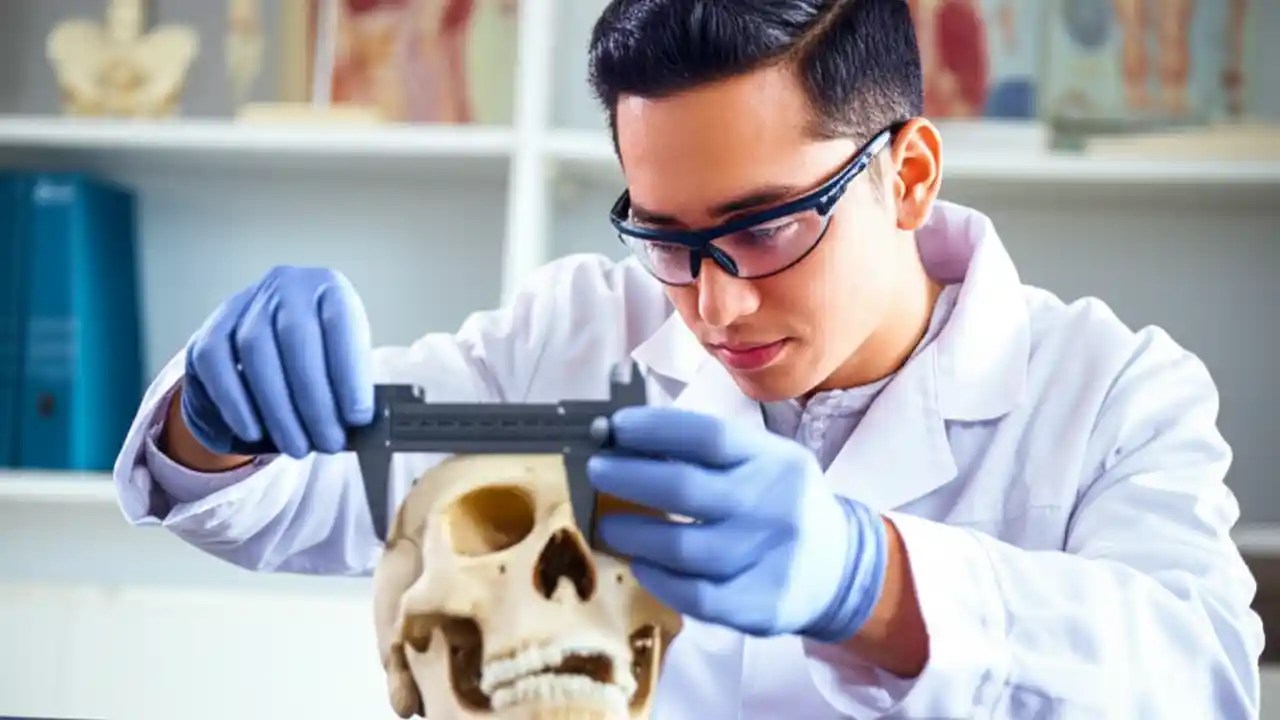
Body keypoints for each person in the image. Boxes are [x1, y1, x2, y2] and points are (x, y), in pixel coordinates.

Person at [111, 0, 1264, 717]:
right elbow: (316, 491)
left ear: (906, 175)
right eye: (664, 233)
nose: (712, 300)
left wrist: (872, 585)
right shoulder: (576, 338)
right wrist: (218, 419)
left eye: (764, 224)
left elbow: (1195, 681)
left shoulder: (1110, 391)